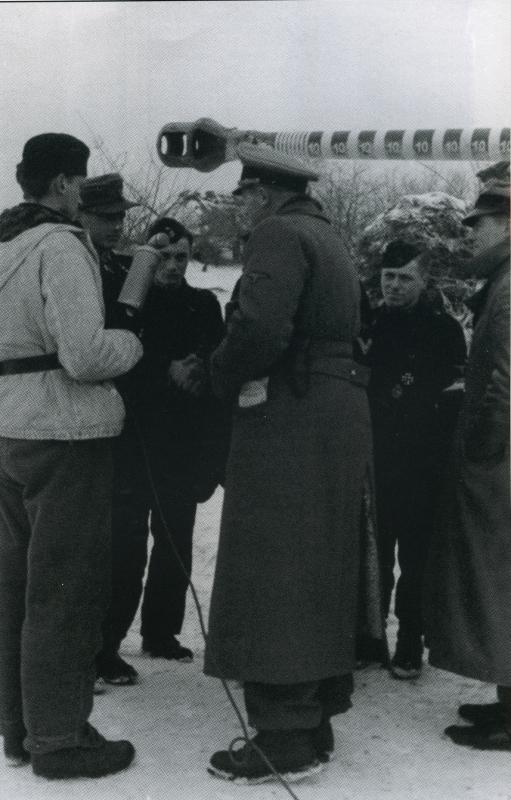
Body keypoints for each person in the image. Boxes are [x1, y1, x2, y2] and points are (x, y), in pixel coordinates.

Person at [204, 144, 372, 783]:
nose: (239, 208)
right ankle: (312, 720)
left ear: (265, 192)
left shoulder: (277, 234)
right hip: (333, 410)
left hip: (289, 414)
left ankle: (283, 737)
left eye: (243, 196)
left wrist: (218, 375)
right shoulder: (326, 235)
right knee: (318, 563)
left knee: (272, 568)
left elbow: (260, 331)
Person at [0, 135, 143, 778]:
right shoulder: (59, 246)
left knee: (14, 587)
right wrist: (132, 342)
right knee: (64, 590)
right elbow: (84, 356)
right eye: (80, 183)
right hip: (63, 434)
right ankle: (60, 739)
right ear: (63, 186)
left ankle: (20, 727)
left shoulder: (4, 241)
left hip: (7, 432)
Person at [85, 206, 226, 685]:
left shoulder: (204, 305)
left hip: (181, 446)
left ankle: (161, 633)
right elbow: (114, 361)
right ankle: (106, 646)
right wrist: (164, 368)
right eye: (162, 255)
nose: (172, 265)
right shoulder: (127, 305)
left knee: (175, 543)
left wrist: (199, 369)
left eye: (181, 257)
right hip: (132, 442)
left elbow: (218, 356)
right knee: (124, 548)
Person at [426, 162, 510, 750]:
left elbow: (503, 384)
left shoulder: (507, 290)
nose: (470, 235)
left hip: (499, 462)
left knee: (498, 579)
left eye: (479, 224)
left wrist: (480, 450)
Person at [362, 241, 466, 679]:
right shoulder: (373, 322)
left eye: (405, 278)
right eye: (389, 276)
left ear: (424, 281)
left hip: (423, 462)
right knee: (374, 554)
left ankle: (409, 643)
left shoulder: (443, 329)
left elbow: (454, 397)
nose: (395, 286)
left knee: (417, 559)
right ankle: (370, 638)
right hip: (378, 458)